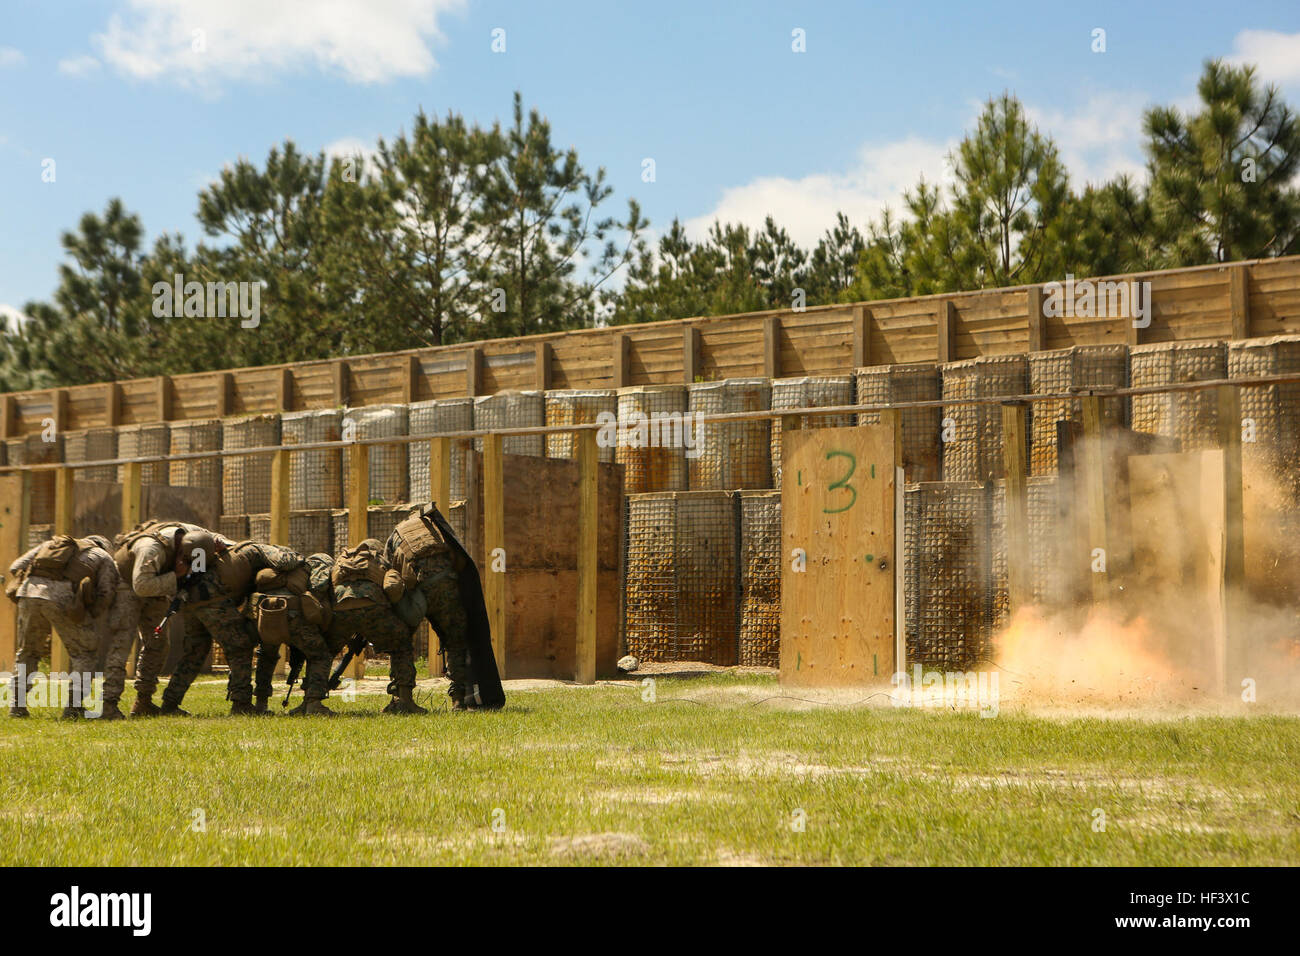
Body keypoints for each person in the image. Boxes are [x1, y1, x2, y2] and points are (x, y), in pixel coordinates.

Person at [158, 537, 308, 716]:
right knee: (240, 647)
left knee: (195, 652)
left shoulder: (228, 552)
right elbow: (285, 561)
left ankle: (169, 704)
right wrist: (300, 558)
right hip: (214, 602)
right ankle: (241, 704)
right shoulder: (260, 549)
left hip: (191, 599)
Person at [382, 505, 503, 710]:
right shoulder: (436, 528)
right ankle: (459, 699)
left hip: (414, 592)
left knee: (401, 640)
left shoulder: (397, 533)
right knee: (456, 640)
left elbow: (389, 571)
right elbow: (459, 560)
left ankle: (403, 699)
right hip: (446, 586)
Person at [113, 520, 232, 717]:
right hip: (128, 585)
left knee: (158, 643)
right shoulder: (151, 549)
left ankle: (143, 702)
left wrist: (219, 545)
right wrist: (176, 576)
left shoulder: (195, 537)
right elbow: (141, 586)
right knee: (122, 644)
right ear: (178, 553)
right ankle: (109, 704)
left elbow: (215, 541)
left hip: (157, 581)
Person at [5, 534, 118, 719]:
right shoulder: (103, 556)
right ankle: (73, 708)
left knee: (28, 652)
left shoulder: (51, 545)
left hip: (29, 595)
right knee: (84, 653)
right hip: (64, 600)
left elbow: (16, 567)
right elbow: (106, 592)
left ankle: (17, 707)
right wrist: (90, 614)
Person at [327, 539, 426, 714]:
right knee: (401, 645)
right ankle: (404, 700)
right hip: (375, 608)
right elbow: (393, 589)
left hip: (340, 608)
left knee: (322, 651)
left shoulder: (343, 561)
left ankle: (312, 700)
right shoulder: (380, 562)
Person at [245, 551, 336, 716]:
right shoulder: (319, 566)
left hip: (265, 613)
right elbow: (318, 587)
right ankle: (313, 703)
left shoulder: (284, 568)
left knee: (267, 654)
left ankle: (260, 703)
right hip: (292, 614)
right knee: (319, 655)